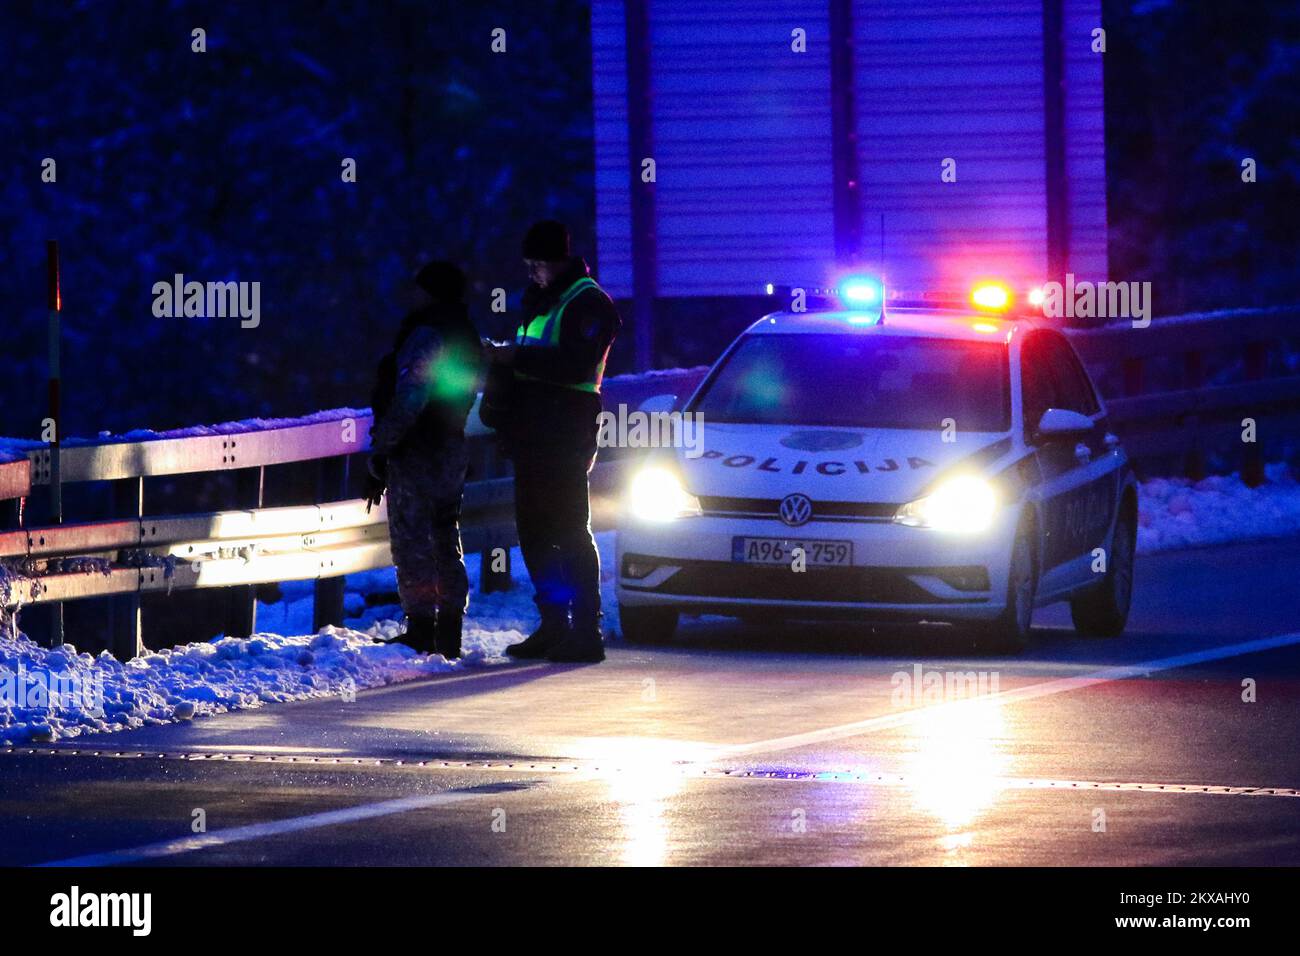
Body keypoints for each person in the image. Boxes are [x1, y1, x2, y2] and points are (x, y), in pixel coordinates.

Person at [484, 221, 621, 663]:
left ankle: (586, 630)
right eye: (528, 265)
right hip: (533, 431)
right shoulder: (543, 301)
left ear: (559, 260)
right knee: (536, 531)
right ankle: (554, 624)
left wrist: (513, 356)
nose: (532, 272)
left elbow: (574, 365)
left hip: (565, 429)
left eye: (538, 264)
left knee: (569, 530)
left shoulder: (589, 303)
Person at [367, 261, 483, 658]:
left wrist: (382, 448)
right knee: (446, 536)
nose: (412, 297)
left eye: (419, 289)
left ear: (431, 292)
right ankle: (449, 628)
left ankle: (421, 629)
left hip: (419, 450)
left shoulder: (427, 335)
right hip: (451, 446)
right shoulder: (465, 334)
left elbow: (411, 396)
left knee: (413, 539)